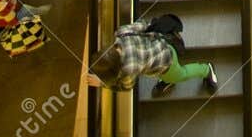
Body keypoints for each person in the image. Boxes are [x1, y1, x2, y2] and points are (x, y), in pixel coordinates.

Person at [89, 16, 218, 97]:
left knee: (181, 75)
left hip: (166, 61)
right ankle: (168, 80)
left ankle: (207, 70)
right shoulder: (120, 33)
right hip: (161, 42)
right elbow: (142, 25)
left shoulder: (128, 69)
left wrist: (102, 83)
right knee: (164, 72)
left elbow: (126, 87)